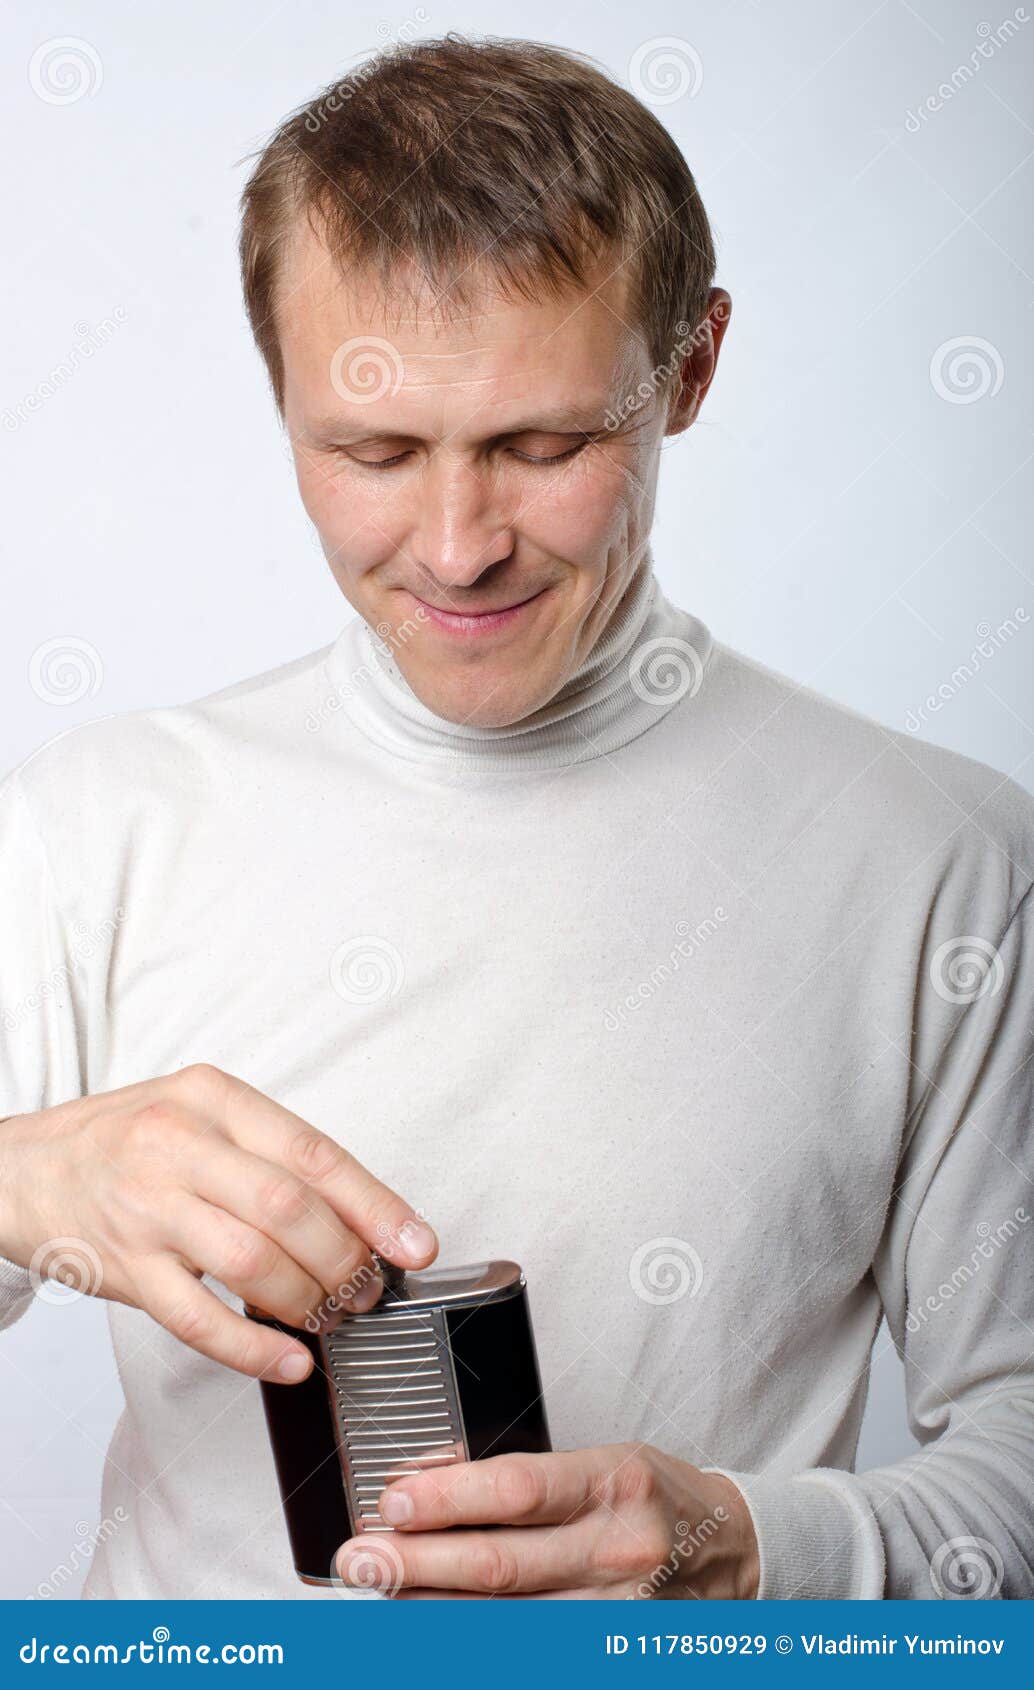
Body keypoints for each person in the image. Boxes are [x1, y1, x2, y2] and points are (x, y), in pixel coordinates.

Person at [1, 34, 1032, 1603]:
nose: (458, 544)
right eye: (371, 450)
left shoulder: (946, 868)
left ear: (687, 367)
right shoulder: (92, 826)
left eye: (542, 446)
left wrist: (739, 1540)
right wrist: (24, 1181)